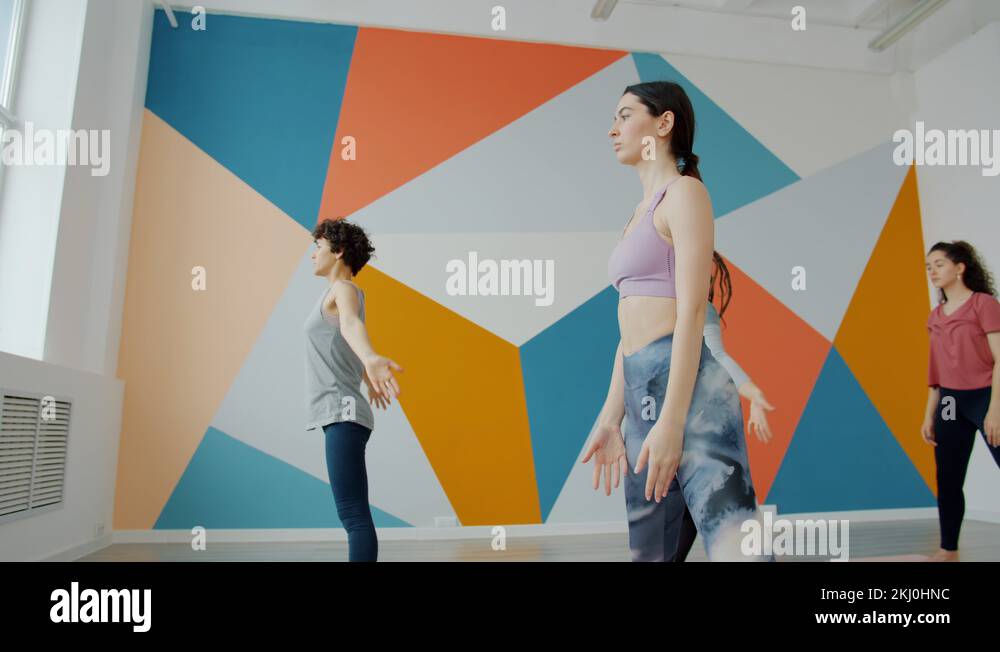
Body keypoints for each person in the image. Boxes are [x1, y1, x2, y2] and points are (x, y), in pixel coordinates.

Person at [581, 80, 773, 561]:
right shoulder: (637, 213)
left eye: (625, 115)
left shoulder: (684, 194)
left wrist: (672, 419)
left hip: (693, 397)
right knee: (651, 552)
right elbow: (629, 334)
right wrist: (611, 417)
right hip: (644, 395)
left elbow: (690, 311)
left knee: (736, 545)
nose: (612, 129)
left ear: (663, 124)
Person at [305, 218, 402, 562]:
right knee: (353, 515)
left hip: (342, 412)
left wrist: (371, 358)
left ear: (339, 250)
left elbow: (350, 324)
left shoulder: (343, 290)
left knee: (353, 516)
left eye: (319, 247)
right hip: (343, 412)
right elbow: (344, 337)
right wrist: (365, 368)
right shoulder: (340, 293)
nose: (313, 254)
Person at [921, 240, 1000, 562]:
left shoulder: (984, 304)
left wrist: (995, 410)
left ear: (960, 267)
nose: (933, 271)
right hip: (951, 401)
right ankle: (948, 550)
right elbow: (936, 373)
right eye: (928, 267)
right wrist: (929, 416)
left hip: (985, 396)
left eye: (939, 264)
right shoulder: (936, 316)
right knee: (948, 478)